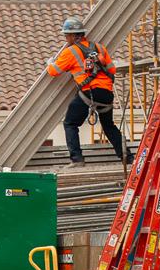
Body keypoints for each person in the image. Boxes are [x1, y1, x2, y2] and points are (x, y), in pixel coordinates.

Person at [48, 18, 131, 167]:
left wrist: (49, 63)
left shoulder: (70, 51)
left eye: (66, 36)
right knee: (109, 126)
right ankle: (128, 158)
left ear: (73, 36)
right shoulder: (100, 48)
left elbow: (54, 71)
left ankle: (77, 159)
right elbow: (112, 70)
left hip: (89, 92)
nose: (66, 40)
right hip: (106, 93)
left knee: (70, 123)